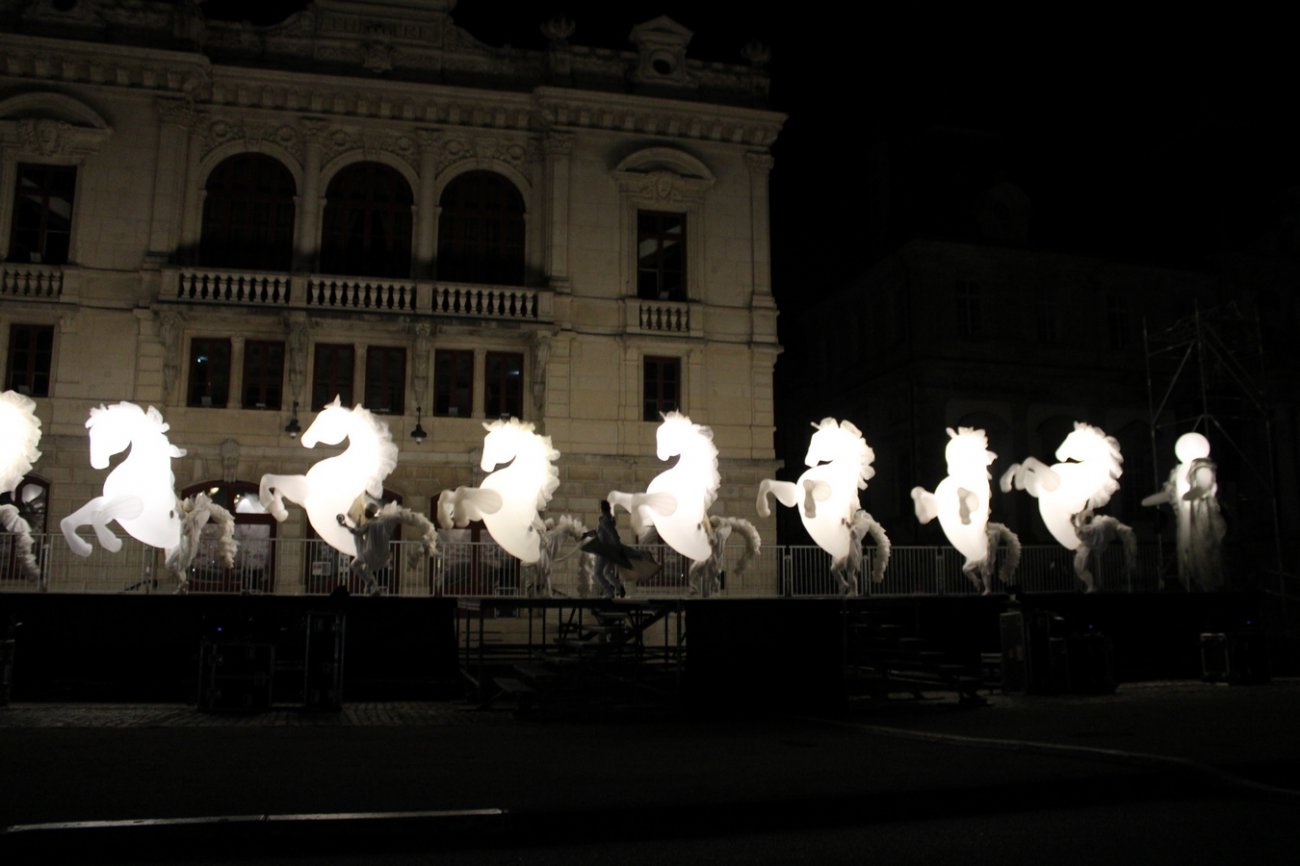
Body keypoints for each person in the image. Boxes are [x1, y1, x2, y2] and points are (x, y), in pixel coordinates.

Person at [584, 499, 627, 598]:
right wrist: (587, 534)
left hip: (605, 551)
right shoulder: (605, 520)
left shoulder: (605, 521)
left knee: (597, 573)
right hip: (610, 551)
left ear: (602, 509)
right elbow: (598, 532)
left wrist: (618, 547)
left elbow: (614, 535)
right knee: (606, 572)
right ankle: (619, 587)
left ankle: (609, 592)